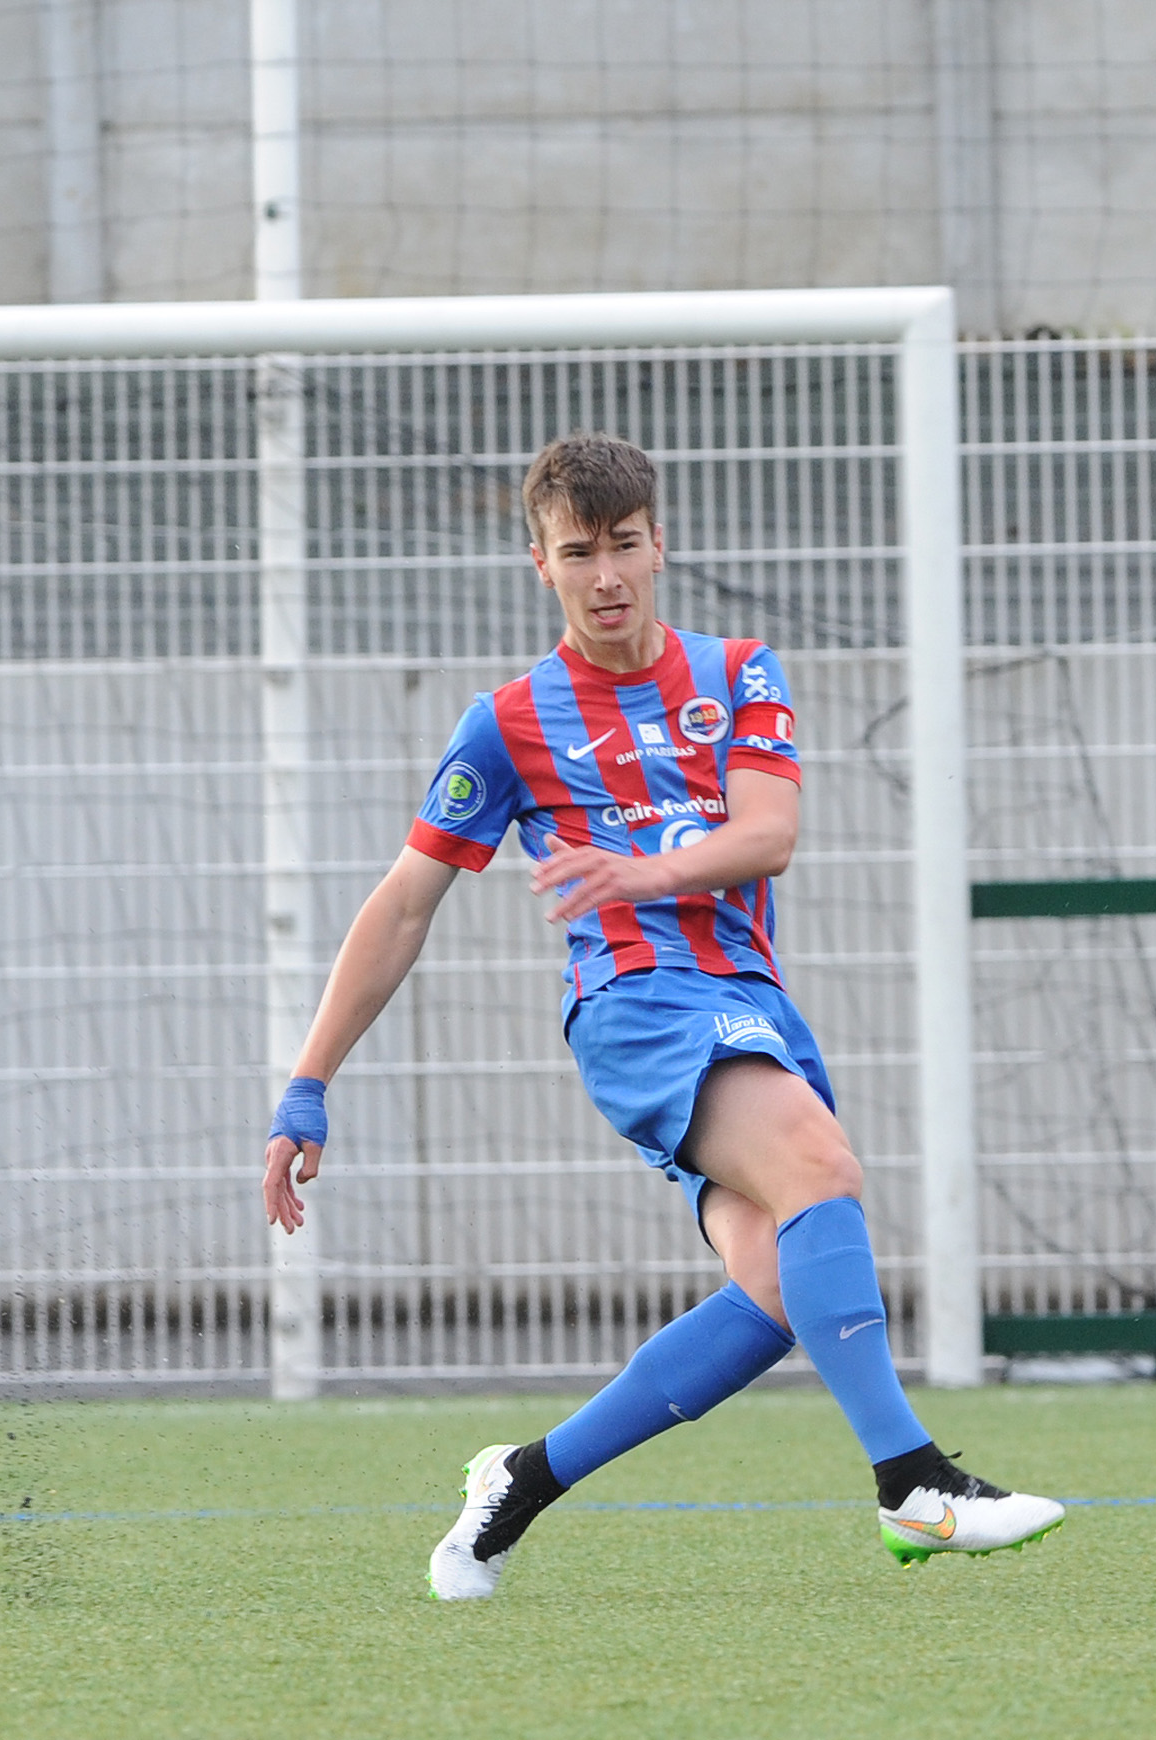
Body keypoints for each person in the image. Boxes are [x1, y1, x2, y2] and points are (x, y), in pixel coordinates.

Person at [260, 432, 1063, 1599]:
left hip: (748, 1005)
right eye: (576, 552)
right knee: (819, 1166)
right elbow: (402, 905)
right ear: (540, 563)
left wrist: (633, 871)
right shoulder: (508, 722)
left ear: (659, 543)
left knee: (782, 1290)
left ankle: (520, 1483)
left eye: (623, 545)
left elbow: (767, 832)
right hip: (636, 1009)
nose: (605, 576)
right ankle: (914, 1486)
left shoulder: (739, 671)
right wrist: (307, 1080)